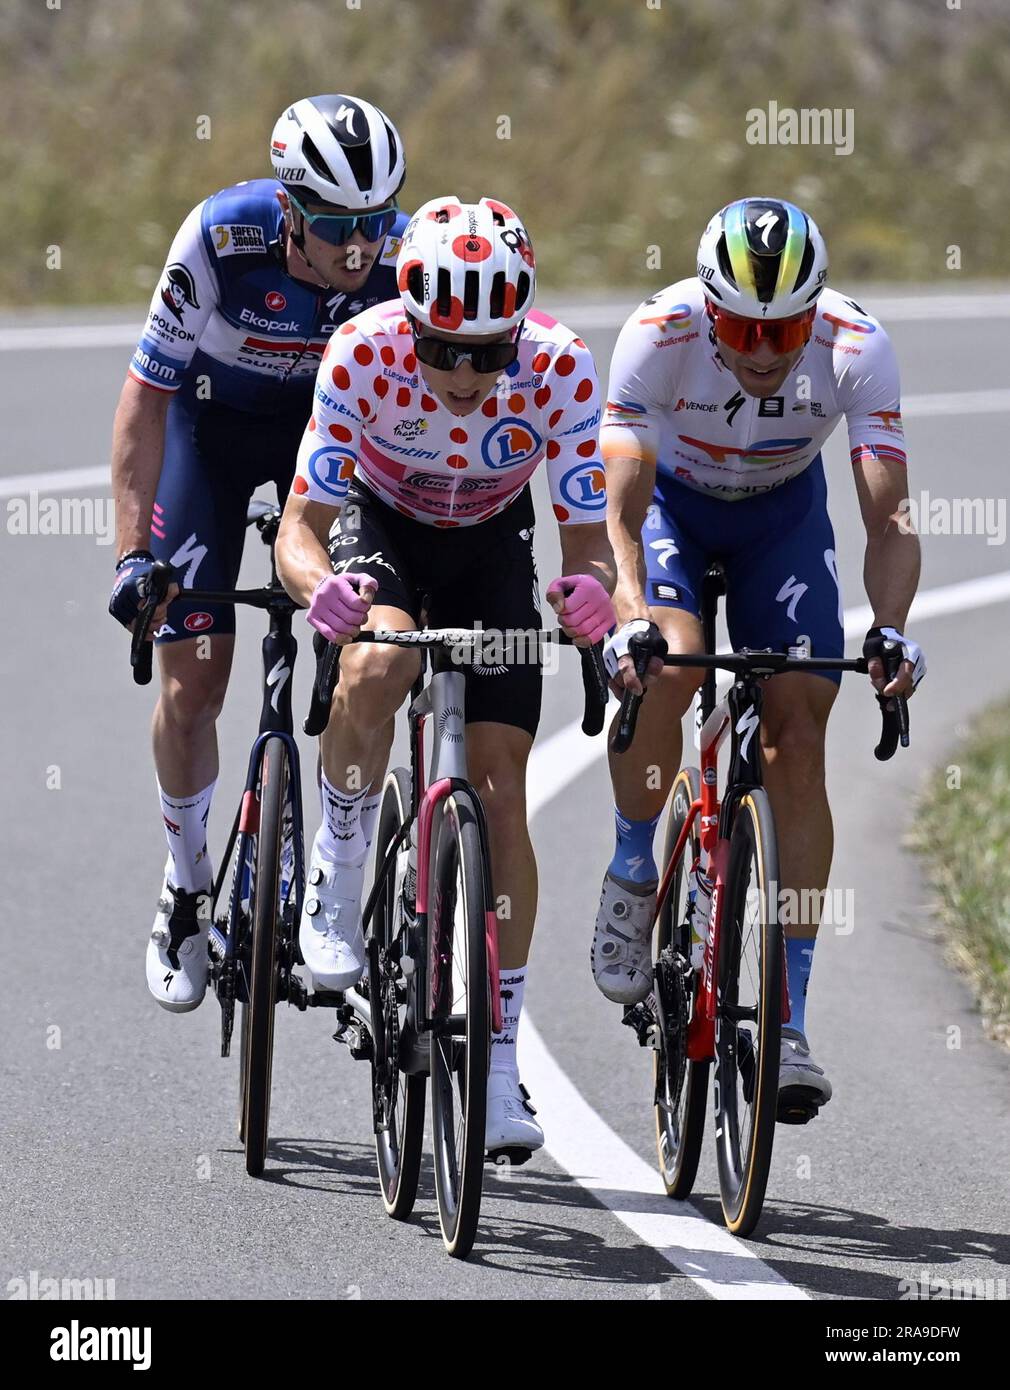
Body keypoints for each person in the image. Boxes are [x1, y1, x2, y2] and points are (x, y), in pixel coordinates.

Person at [275, 196, 616, 1154]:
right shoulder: (365, 352)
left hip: (491, 547)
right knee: (378, 660)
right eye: (446, 349)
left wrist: (593, 598)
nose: (466, 373)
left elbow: (589, 542)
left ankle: (501, 1064)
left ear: (518, 334)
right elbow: (300, 532)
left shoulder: (558, 365)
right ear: (413, 321)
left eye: (487, 352)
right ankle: (339, 876)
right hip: (382, 531)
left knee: (503, 794)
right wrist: (319, 595)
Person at [595, 196, 925, 1115]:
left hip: (781, 518)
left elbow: (889, 521)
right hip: (672, 510)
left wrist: (890, 627)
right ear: (708, 307)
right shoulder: (657, 336)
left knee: (800, 729)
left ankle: (787, 1016)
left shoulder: (857, 347)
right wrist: (627, 616)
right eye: (742, 326)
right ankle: (632, 864)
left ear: (817, 313)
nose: (767, 349)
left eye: (788, 329)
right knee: (675, 659)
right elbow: (616, 519)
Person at [108, 95, 409, 1012]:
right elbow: (144, 403)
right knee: (193, 681)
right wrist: (131, 559)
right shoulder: (217, 241)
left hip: (332, 449)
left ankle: (334, 883)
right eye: (333, 227)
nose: (358, 250)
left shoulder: (405, 259)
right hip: (215, 433)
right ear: (287, 210)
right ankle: (186, 882)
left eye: (373, 223)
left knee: (367, 647)